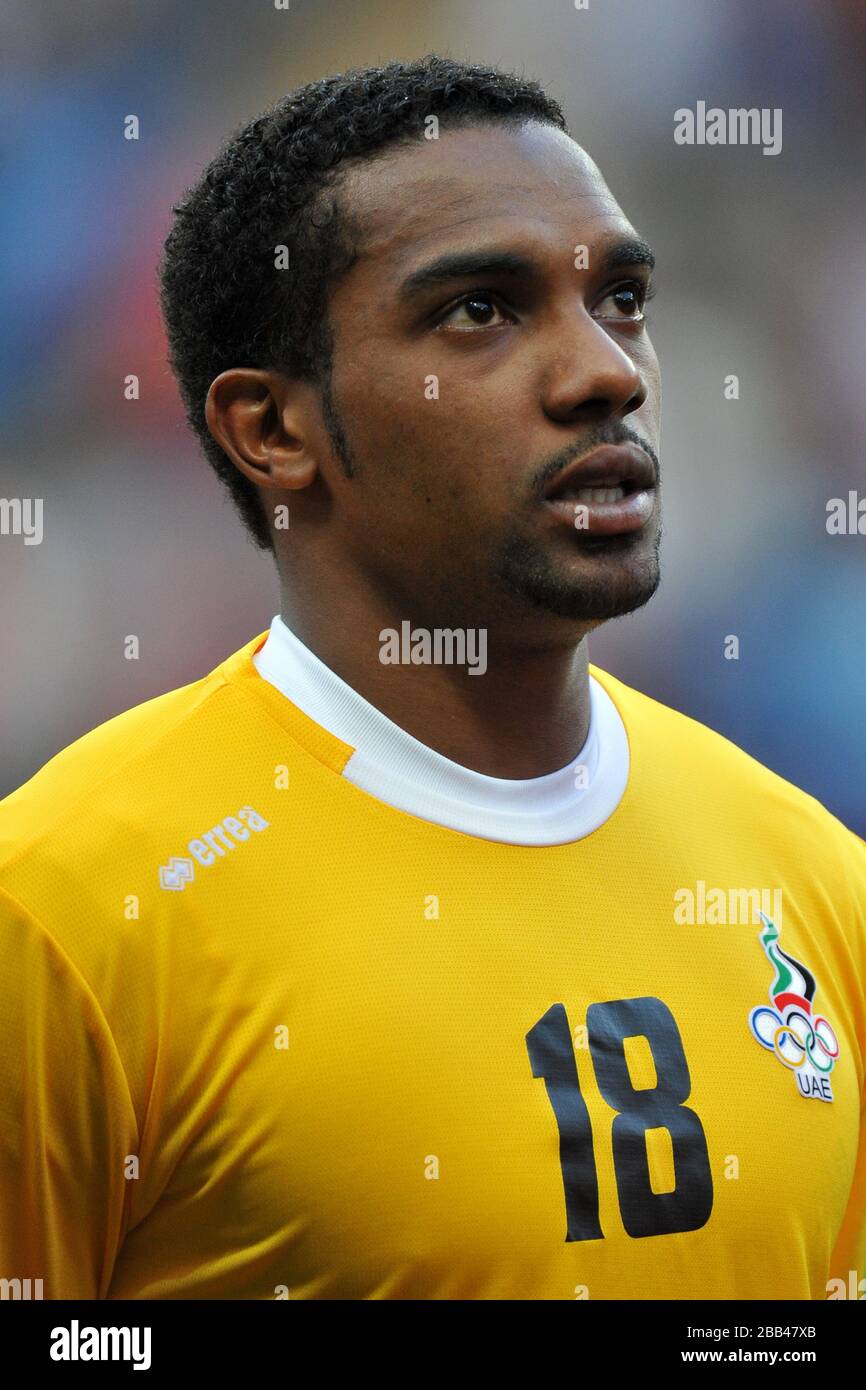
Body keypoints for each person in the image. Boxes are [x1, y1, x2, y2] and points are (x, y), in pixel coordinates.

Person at [1, 55, 863, 1301]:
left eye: (618, 298)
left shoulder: (807, 874)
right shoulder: (67, 916)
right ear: (274, 431)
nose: (605, 373)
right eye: (479, 311)